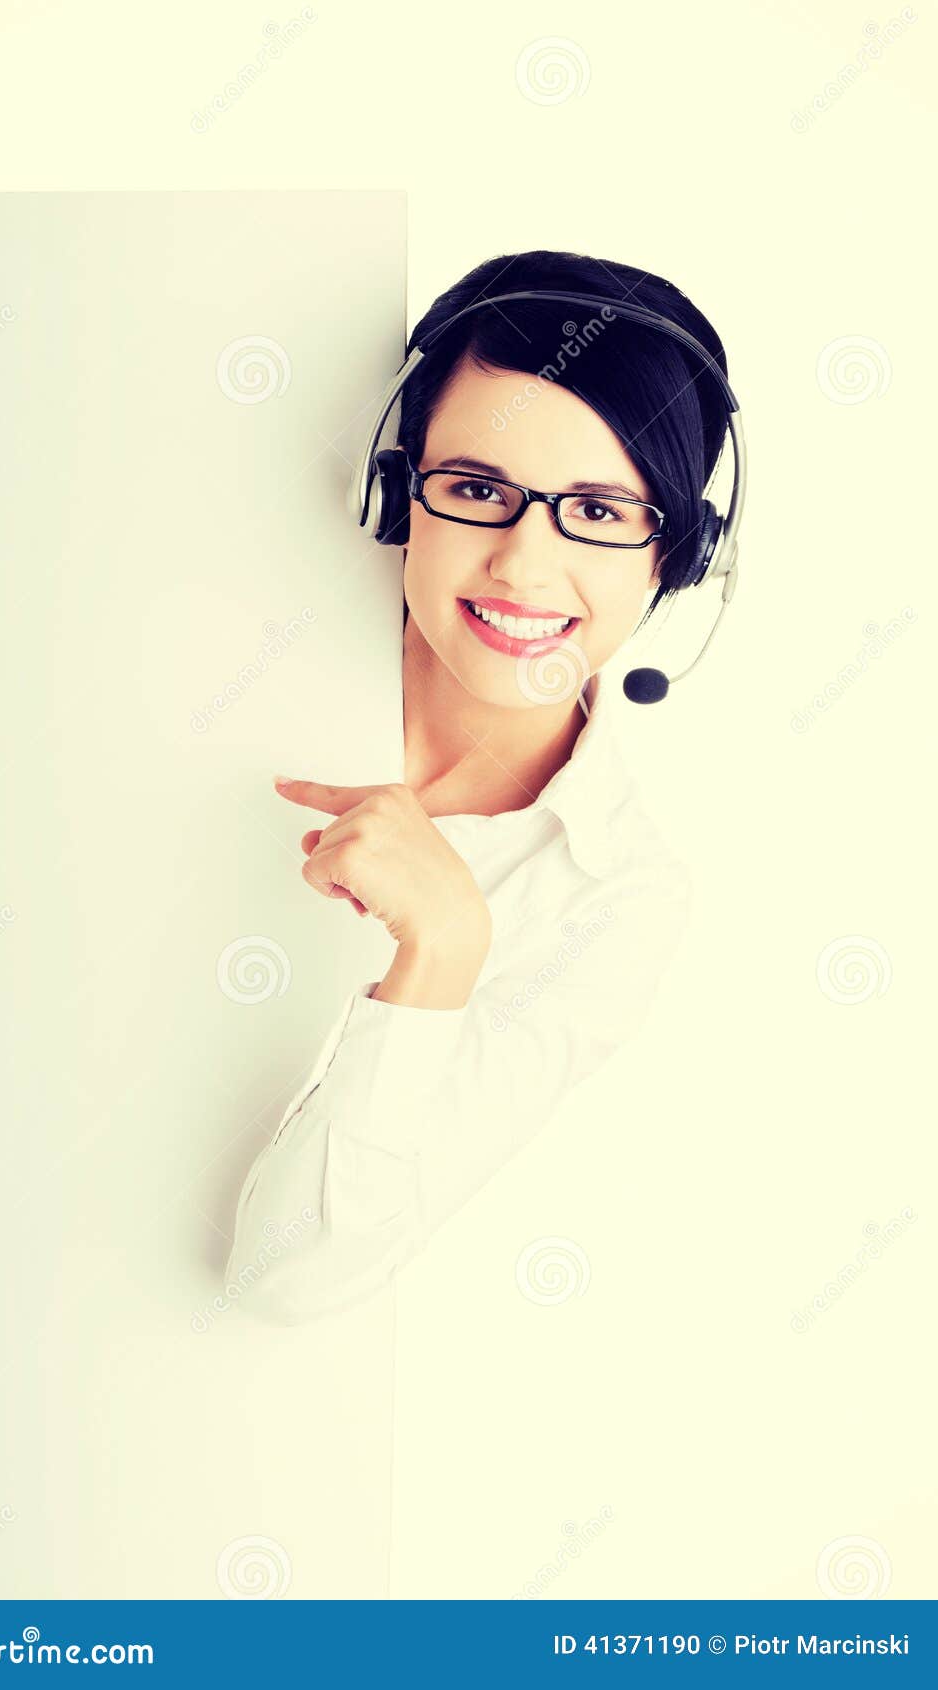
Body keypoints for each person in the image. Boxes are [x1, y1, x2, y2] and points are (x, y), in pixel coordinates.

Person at [224, 248, 733, 1324]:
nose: (520, 564)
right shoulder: (242, 620)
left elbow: (293, 1277)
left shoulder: (614, 899)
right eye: (478, 489)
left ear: (676, 556)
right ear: (402, 492)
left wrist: (445, 949)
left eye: (598, 510)